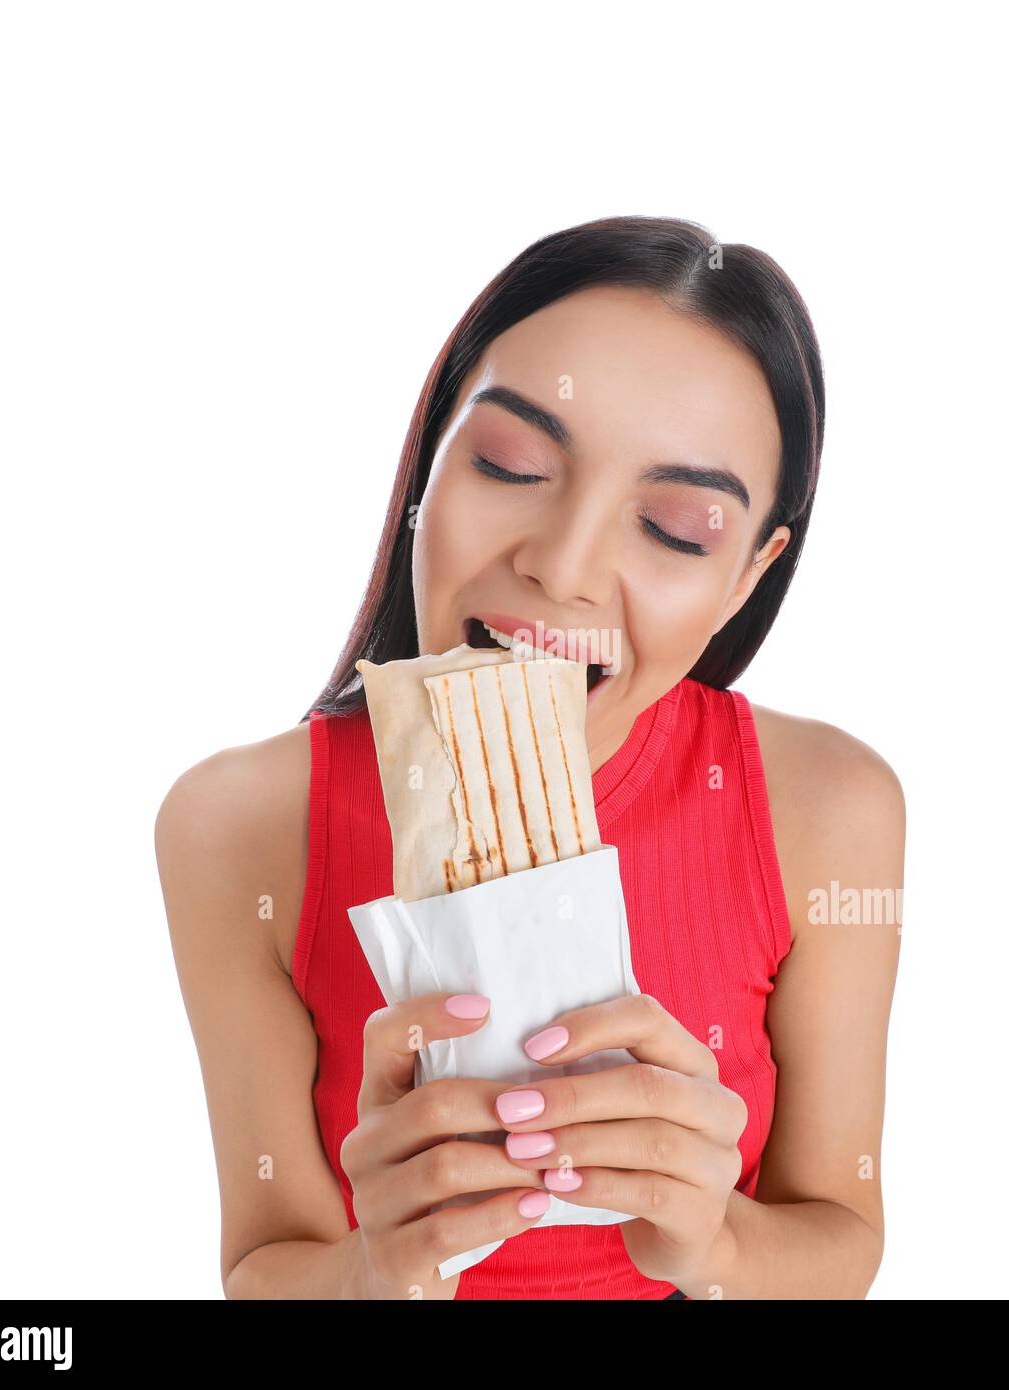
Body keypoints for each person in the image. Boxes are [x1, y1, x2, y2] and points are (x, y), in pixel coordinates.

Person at [155, 215, 905, 1300]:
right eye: (509, 462)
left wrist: (715, 1245)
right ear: (428, 461)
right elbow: (265, 1262)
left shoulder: (828, 808)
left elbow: (840, 1229)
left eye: (679, 528)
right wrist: (378, 1270)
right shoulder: (235, 823)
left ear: (746, 574)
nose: (561, 567)